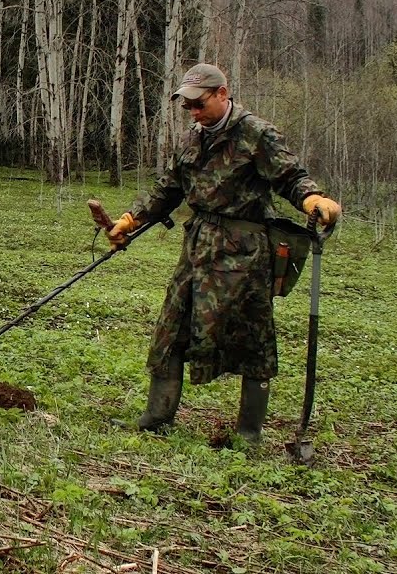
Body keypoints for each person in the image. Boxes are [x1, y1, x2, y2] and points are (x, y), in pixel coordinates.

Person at [107, 63, 341, 442]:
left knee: (251, 338)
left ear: (222, 94)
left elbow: (290, 177)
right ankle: (156, 417)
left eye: (199, 104)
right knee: (171, 328)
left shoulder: (256, 134)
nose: (193, 112)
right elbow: (169, 187)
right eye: (187, 106)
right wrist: (131, 219)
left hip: (243, 254)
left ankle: (248, 434)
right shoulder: (193, 138)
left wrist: (313, 199)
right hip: (197, 247)